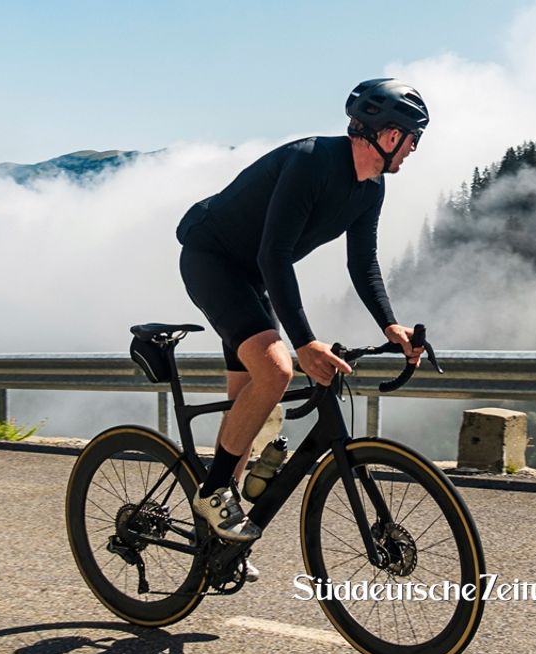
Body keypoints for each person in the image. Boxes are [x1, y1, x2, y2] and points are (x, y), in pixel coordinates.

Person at [175, 78, 428, 557]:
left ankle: (213, 547)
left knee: (247, 415)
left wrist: (389, 325)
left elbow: (363, 263)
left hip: (249, 279)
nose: (414, 149)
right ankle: (212, 496)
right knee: (277, 370)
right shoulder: (311, 161)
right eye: (414, 137)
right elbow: (275, 254)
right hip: (212, 260)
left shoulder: (370, 189)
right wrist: (306, 341)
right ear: (390, 135)